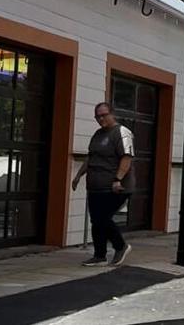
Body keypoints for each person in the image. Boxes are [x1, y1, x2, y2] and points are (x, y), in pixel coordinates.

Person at [72, 102, 135, 267]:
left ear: (112, 114)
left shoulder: (121, 132)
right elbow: (91, 157)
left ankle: (121, 246)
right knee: (96, 220)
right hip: (95, 186)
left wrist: (117, 179)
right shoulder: (98, 134)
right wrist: (78, 176)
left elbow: (127, 157)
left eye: (104, 115)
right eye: (97, 116)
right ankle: (99, 255)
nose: (101, 119)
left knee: (103, 218)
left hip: (116, 187)